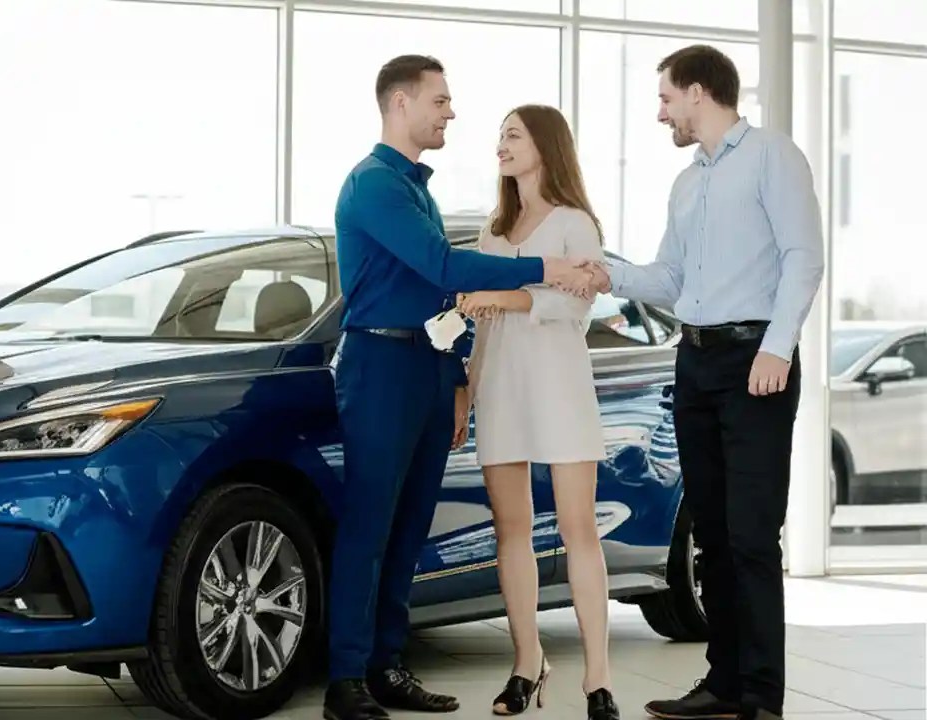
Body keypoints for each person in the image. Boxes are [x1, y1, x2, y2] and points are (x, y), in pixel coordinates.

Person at [325, 54, 589, 720]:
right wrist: (545, 267)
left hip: (424, 363)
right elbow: (442, 267)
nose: (450, 112)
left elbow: (439, 300)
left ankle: (386, 667)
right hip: (379, 365)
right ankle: (345, 682)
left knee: (409, 526)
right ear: (401, 104)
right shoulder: (373, 184)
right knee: (369, 526)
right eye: (440, 100)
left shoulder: (417, 189)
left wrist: (454, 382)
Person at [582, 44, 824, 720]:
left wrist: (777, 348)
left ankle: (762, 695)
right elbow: (670, 278)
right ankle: (724, 682)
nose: (661, 113)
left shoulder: (773, 156)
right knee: (710, 533)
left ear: (697, 91)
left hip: (755, 362)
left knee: (751, 534)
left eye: (665, 98)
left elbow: (804, 257)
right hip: (694, 364)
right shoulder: (687, 184)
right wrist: (607, 275)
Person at [456, 104, 619, 720]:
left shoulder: (576, 223)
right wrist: (468, 392)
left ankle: (598, 678)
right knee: (511, 531)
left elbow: (576, 307)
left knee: (579, 529)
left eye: (513, 135)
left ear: (546, 145)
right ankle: (527, 662)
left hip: (560, 388)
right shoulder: (493, 232)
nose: (501, 145)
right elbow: (482, 329)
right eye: (499, 136)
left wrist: (504, 296)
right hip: (502, 388)